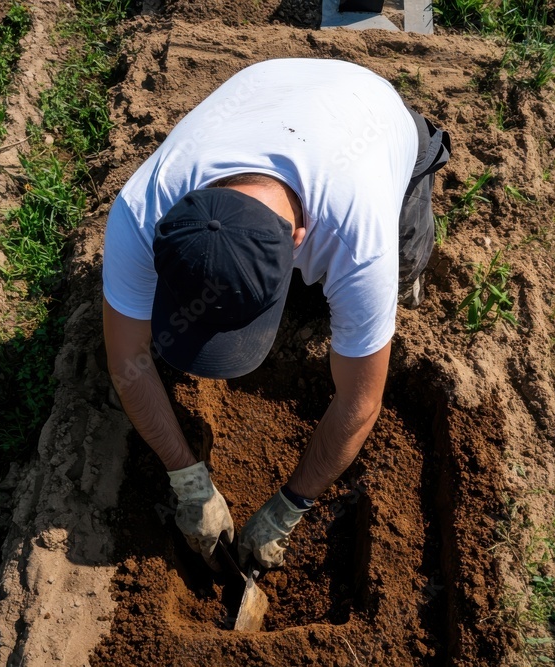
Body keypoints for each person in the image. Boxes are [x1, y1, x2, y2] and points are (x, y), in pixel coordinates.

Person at [101, 57, 450, 572]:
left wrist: (291, 506)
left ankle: (403, 256)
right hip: (267, 87)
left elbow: (361, 399)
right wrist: (187, 481)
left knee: (405, 260)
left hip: (370, 110)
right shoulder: (141, 210)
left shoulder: (361, 243)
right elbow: (126, 359)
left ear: (298, 239)